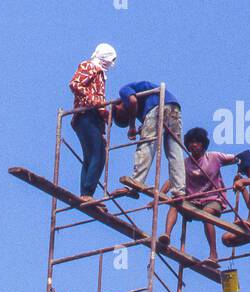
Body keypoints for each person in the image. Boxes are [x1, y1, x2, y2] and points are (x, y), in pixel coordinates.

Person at [158, 127, 240, 265]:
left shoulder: (214, 157)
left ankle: (213, 255)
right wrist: (159, 196)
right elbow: (172, 180)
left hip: (213, 200)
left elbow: (237, 158)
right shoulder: (185, 164)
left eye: (197, 142)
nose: (193, 145)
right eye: (191, 142)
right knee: (175, 201)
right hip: (193, 202)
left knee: (206, 214)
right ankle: (167, 235)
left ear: (203, 145)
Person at [110, 80, 186, 198]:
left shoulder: (123, 91)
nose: (128, 116)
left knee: (146, 145)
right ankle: (179, 190)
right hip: (173, 106)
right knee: (175, 151)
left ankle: (134, 184)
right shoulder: (141, 108)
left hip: (157, 106)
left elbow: (133, 101)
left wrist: (131, 126)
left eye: (122, 115)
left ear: (118, 106)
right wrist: (141, 128)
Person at [68, 44, 118, 200]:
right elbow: (75, 84)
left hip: (93, 117)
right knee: (97, 154)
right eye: (111, 59)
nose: (112, 63)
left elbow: (99, 100)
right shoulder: (89, 66)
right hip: (85, 114)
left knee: (94, 155)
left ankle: (86, 193)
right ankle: (87, 193)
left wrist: (104, 114)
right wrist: (93, 100)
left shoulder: (101, 74)